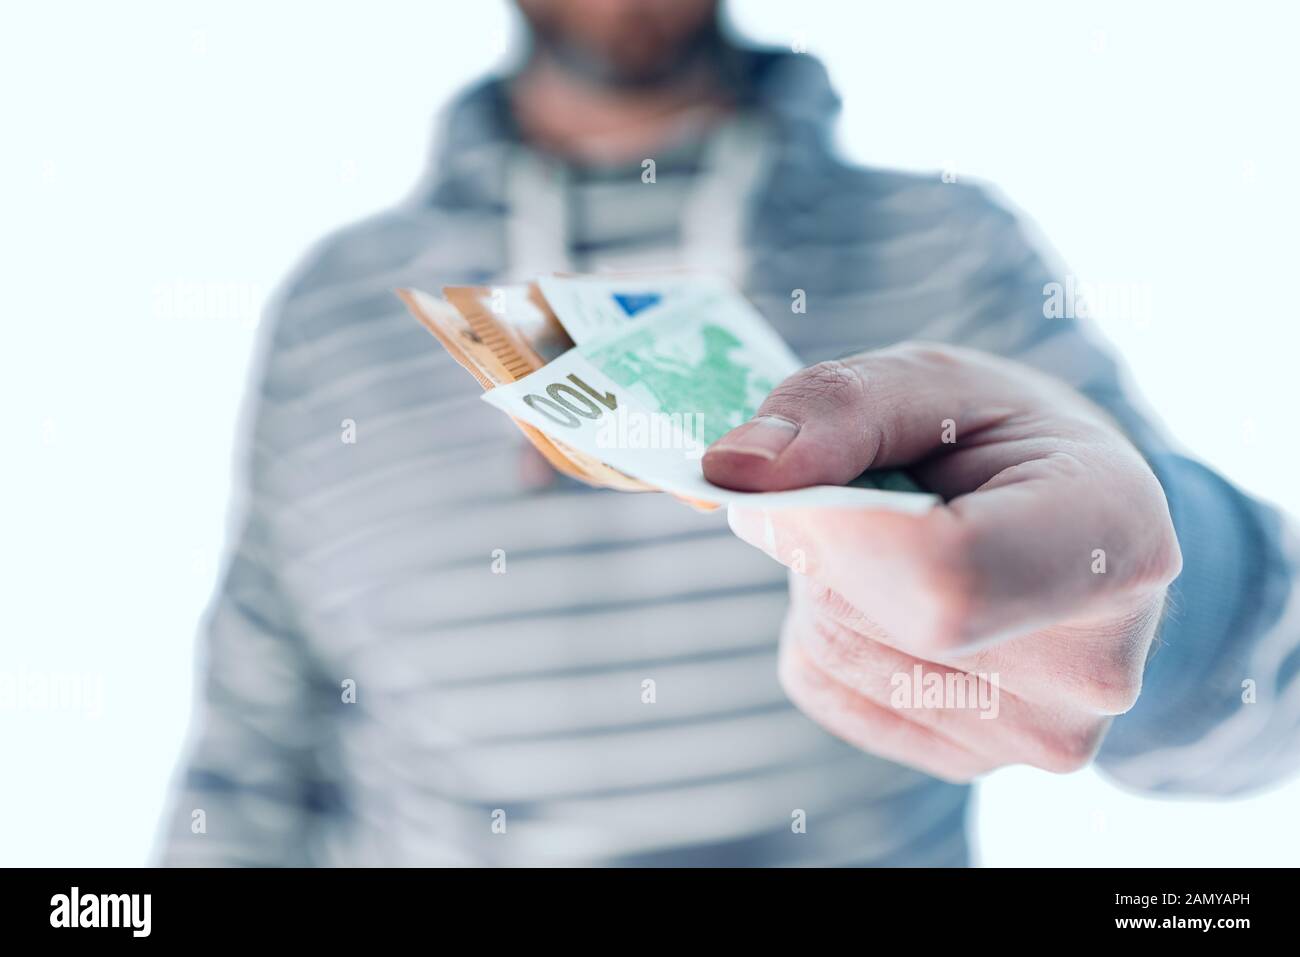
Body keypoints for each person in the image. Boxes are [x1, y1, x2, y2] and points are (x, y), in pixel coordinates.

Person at [159, 0, 1300, 866]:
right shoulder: (334, 310)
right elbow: (254, 746)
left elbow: (1271, 705)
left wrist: (1163, 598)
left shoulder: (950, 244)